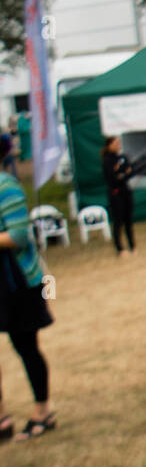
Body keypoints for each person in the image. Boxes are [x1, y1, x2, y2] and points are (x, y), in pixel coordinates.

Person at [0, 167, 54, 441]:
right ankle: (2, 419)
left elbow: (19, 235)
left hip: (17, 283)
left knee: (26, 347)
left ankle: (42, 413)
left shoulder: (6, 186)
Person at [100, 136, 136, 256]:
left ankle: (133, 246)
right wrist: (121, 175)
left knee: (128, 221)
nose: (118, 144)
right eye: (115, 143)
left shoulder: (122, 157)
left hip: (126, 192)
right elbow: (113, 178)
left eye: (119, 142)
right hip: (115, 194)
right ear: (109, 145)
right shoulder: (107, 160)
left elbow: (129, 172)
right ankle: (120, 249)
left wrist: (122, 175)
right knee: (118, 221)